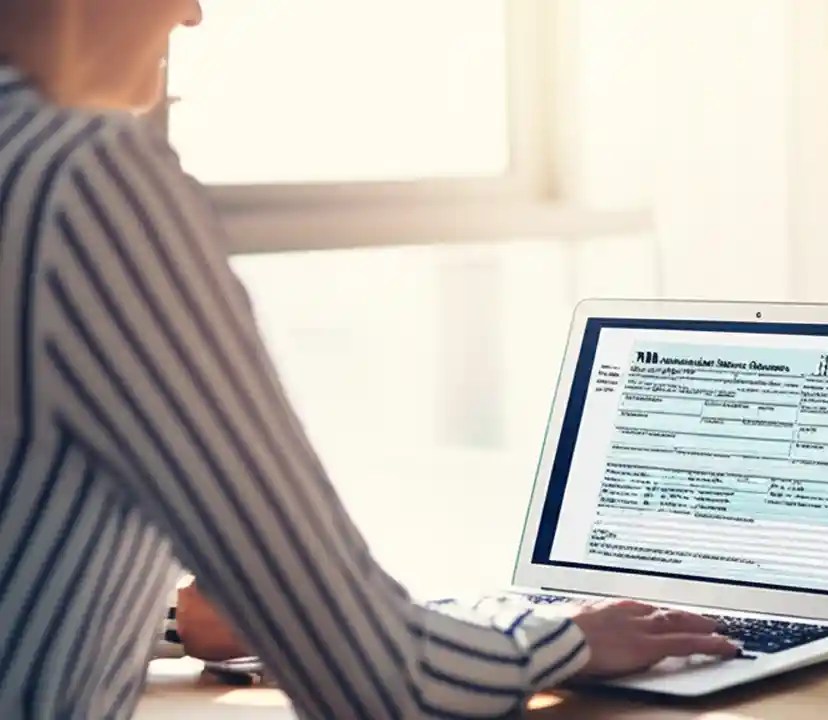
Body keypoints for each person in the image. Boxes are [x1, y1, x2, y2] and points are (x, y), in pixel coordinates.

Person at [0, 1, 738, 717]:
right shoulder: (85, 176)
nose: (190, 14)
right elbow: (378, 683)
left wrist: (169, 616)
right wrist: (568, 638)